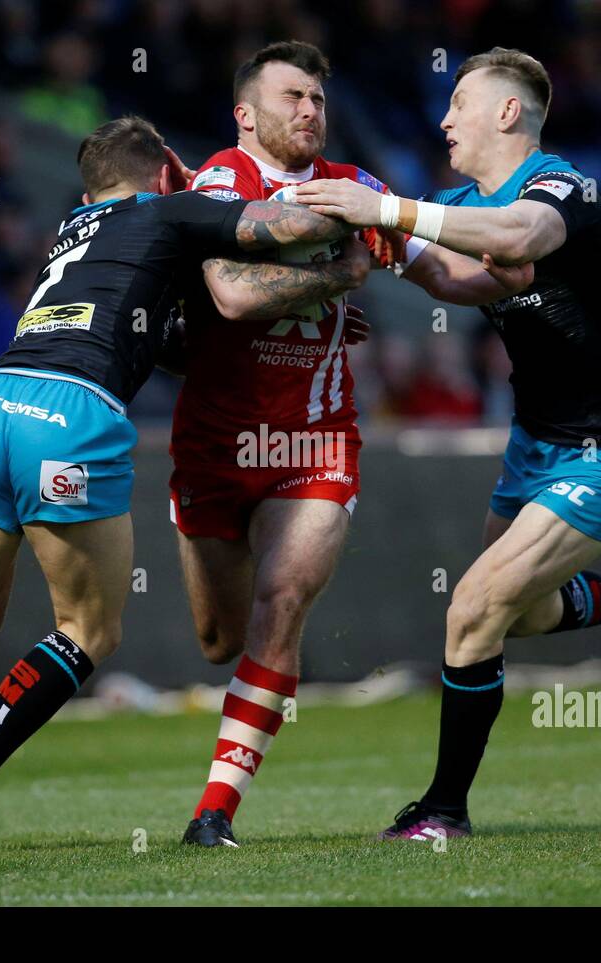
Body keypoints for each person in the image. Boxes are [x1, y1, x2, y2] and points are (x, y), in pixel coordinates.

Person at [0, 115, 368, 855]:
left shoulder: (73, 228)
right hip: (71, 414)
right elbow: (282, 219)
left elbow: (149, 335)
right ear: (164, 170)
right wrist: (353, 246)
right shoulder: (169, 206)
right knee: (89, 630)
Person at [296, 48, 601, 841]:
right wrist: (379, 246)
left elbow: (518, 236)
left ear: (507, 113)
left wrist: (390, 213)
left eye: (459, 101)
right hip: (537, 445)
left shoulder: (559, 188)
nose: (443, 118)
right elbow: (466, 278)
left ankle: (444, 811)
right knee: (519, 616)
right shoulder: (465, 202)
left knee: (470, 610)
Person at [167, 41, 417, 849]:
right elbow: (232, 295)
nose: (310, 109)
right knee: (220, 642)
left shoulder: (359, 187)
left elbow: (444, 266)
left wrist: (517, 269)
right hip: (214, 444)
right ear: (246, 114)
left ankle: (214, 813)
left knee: (282, 603)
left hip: (314, 440)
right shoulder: (220, 183)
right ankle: (251, 704)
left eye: (317, 97)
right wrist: (338, 276)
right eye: (292, 97)